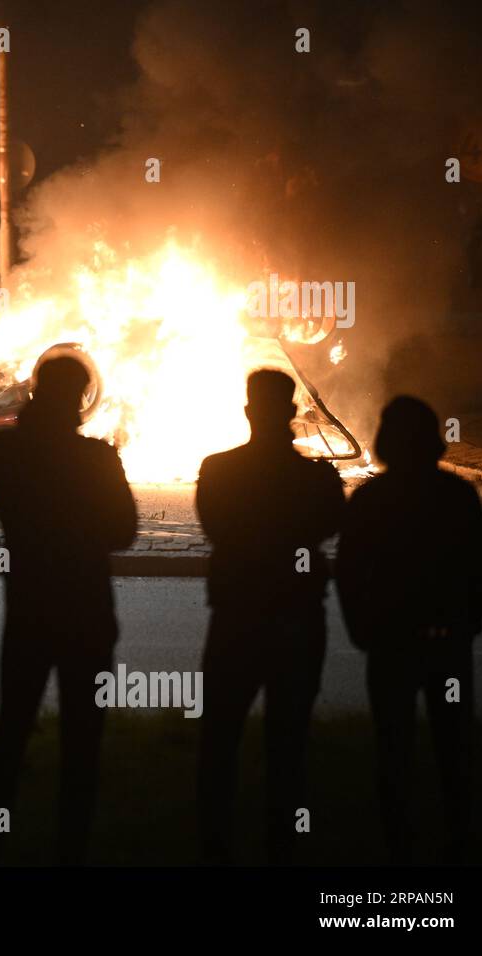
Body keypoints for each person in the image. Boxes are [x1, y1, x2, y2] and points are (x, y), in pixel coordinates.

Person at [0, 356, 137, 865]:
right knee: (82, 739)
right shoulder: (97, 458)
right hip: (87, 613)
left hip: (28, 611)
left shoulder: (6, 450)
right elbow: (124, 533)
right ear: (81, 398)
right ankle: (72, 847)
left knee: (13, 729)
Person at [194, 368, 345, 864]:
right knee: (289, 743)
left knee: (220, 737)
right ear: (292, 412)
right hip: (297, 620)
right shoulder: (318, 477)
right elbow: (329, 526)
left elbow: (216, 529)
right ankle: (283, 846)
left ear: (247, 412)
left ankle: (214, 845)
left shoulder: (217, 469)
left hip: (236, 617)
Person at [337, 396, 482, 863]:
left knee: (393, 744)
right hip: (447, 645)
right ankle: (457, 839)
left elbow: (349, 572)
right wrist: (467, 625)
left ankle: (397, 844)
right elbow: (480, 570)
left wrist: (361, 630)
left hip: (390, 647)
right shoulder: (458, 495)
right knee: (453, 746)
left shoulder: (369, 498)